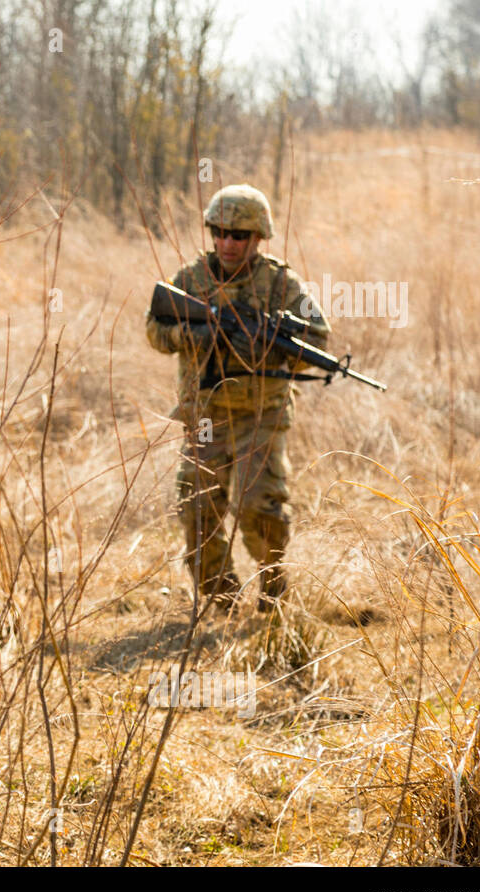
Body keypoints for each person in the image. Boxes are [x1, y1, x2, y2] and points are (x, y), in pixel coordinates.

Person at [145, 184, 329, 612]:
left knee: (258, 508)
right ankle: (222, 602)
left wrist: (272, 343)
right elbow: (155, 329)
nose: (228, 243)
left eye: (240, 235)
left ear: (258, 238)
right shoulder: (190, 281)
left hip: (260, 415)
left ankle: (273, 595)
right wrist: (195, 335)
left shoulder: (281, 284)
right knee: (197, 512)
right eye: (221, 232)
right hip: (205, 415)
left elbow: (317, 342)